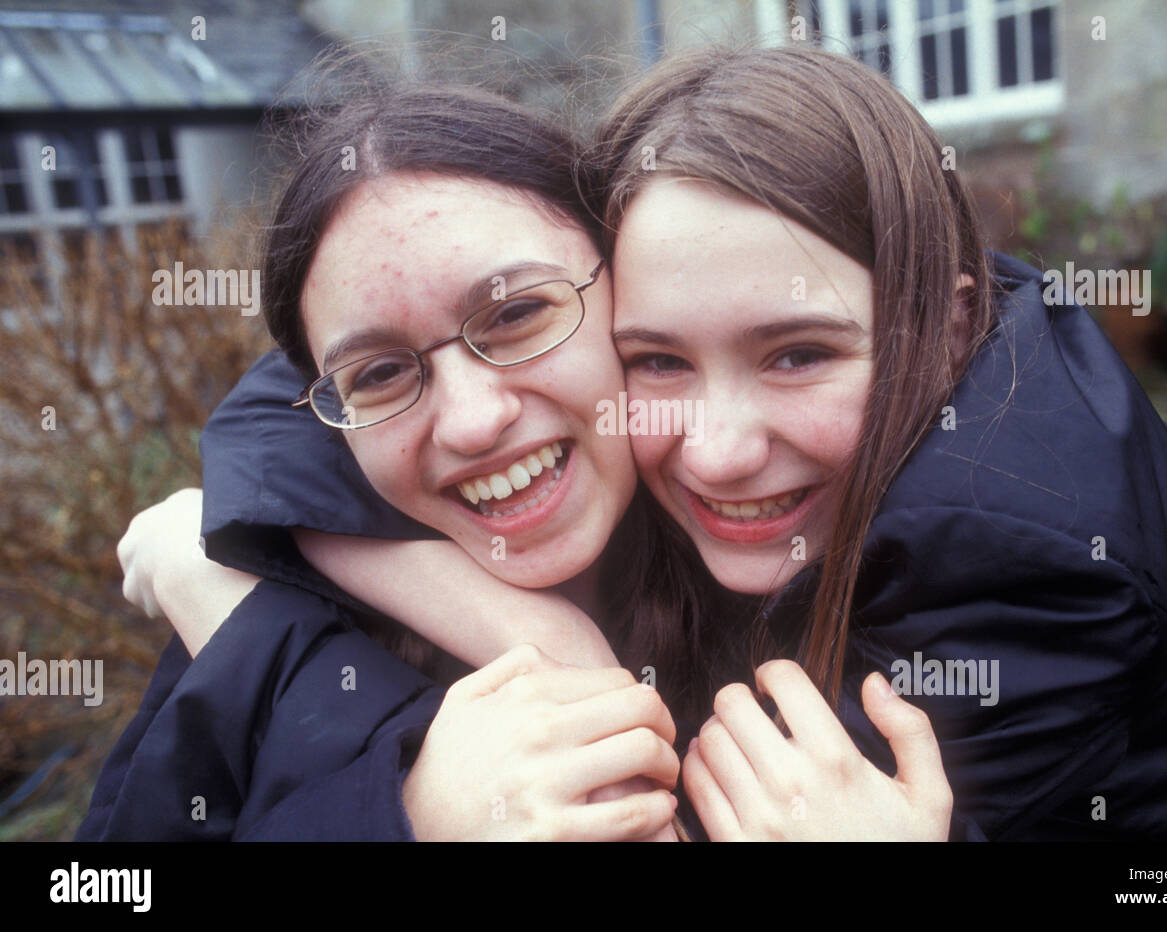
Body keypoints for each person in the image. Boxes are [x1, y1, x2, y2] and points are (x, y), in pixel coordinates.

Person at [109, 42, 1167, 841]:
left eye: (516, 312)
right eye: (662, 356)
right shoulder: (345, 478)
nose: (719, 452)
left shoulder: (997, 546)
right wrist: (487, 695)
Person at [82, 63, 952, 842]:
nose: (470, 421)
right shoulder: (249, 622)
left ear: (625, 282)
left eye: (515, 315)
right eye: (381, 371)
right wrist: (403, 819)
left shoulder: (820, 566)